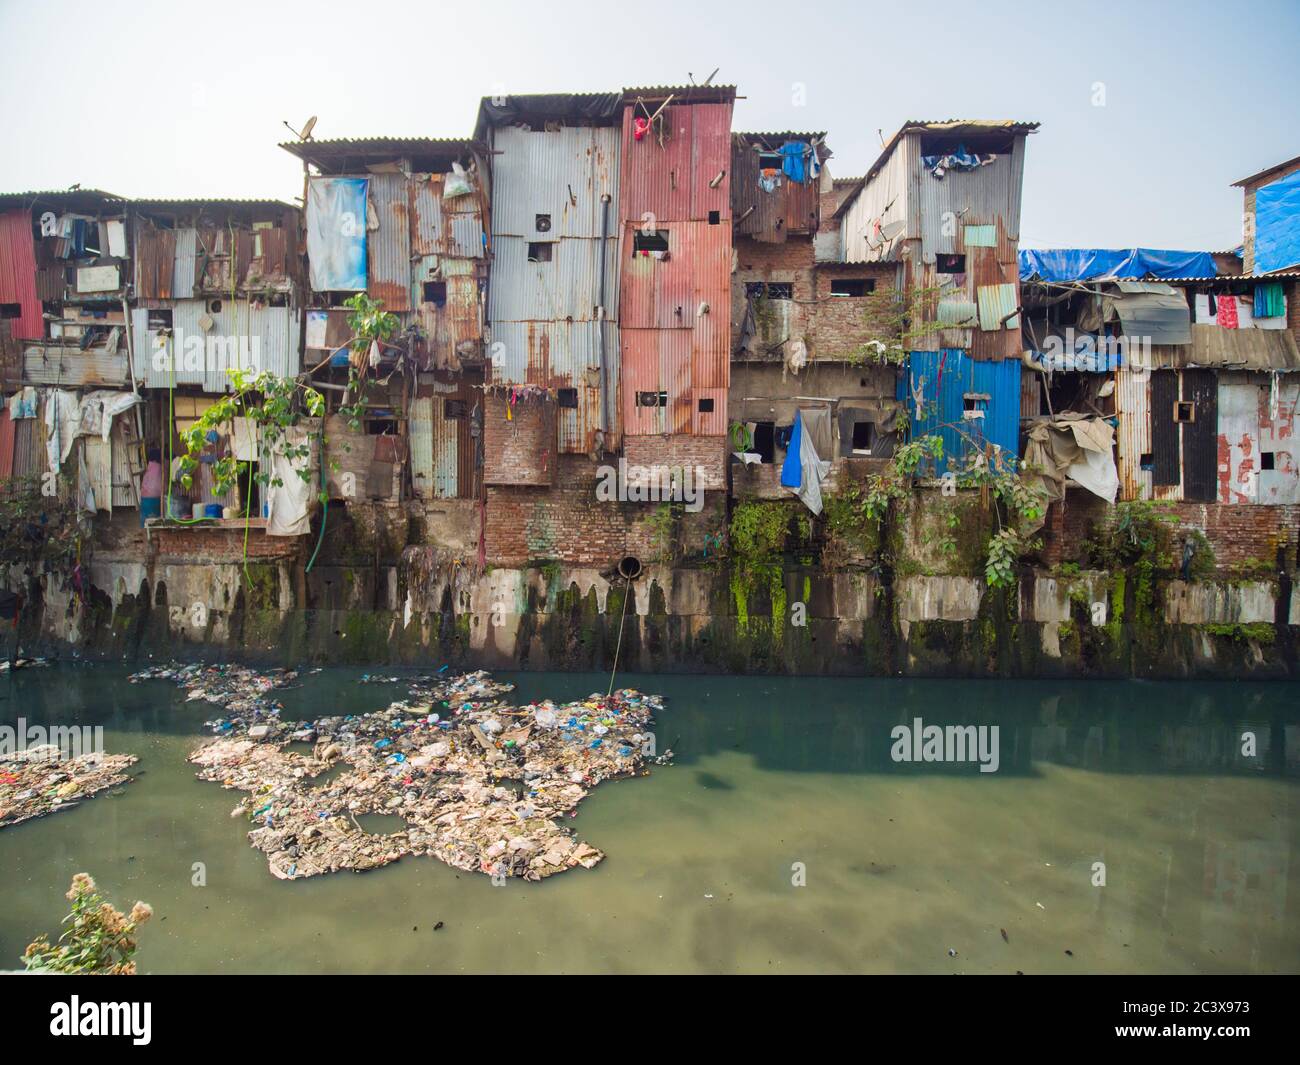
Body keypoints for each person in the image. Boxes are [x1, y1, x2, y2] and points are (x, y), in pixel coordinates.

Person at [139, 446, 163, 525]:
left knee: (146, 520)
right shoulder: (159, 467)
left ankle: (145, 526)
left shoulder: (150, 466)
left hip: (145, 496)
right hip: (155, 497)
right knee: (155, 521)